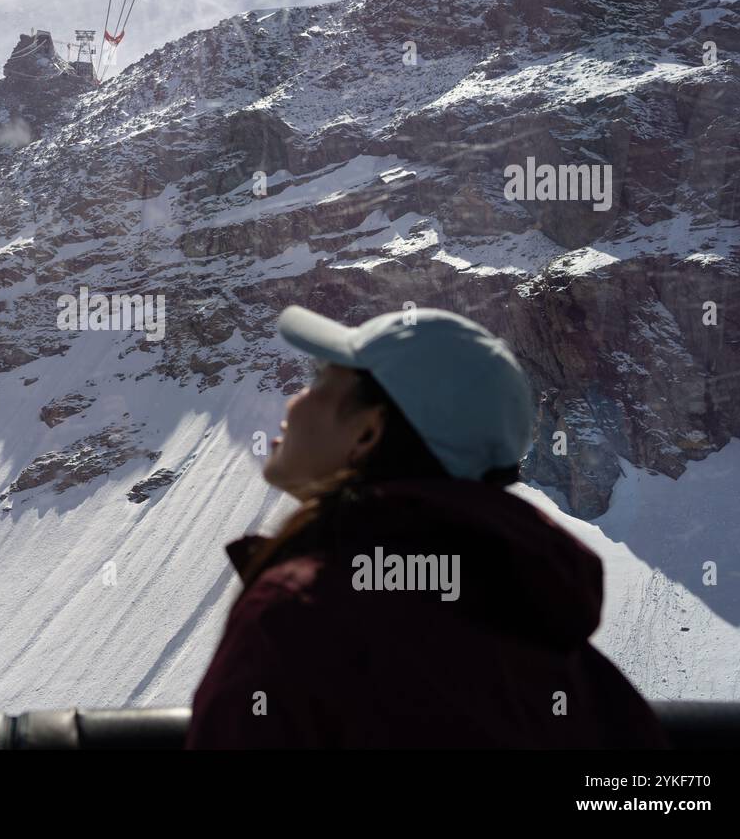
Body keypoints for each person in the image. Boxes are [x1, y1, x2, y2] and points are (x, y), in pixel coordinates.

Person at [185, 305, 669, 749]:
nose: (293, 400)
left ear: (368, 433)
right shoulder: (563, 651)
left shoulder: (296, 617)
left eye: (318, 380)